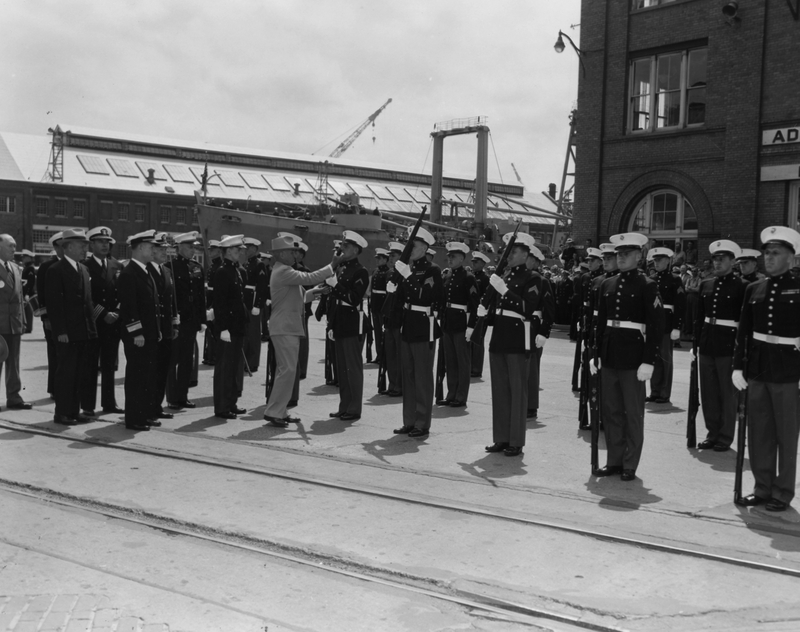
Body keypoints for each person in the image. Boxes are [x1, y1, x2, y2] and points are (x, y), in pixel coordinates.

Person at [732, 227, 800, 512]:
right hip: (758, 369)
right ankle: (762, 487)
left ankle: (782, 492)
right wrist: (738, 367)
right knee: (759, 432)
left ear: (792, 259)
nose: (768, 258)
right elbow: (743, 332)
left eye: (776, 253)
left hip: (788, 369)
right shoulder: (753, 288)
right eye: (766, 253)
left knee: (786, 434)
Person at [592, 232, 661, 481]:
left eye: (626, 254)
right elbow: (600, 324)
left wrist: (649, 361)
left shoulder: (647, 284)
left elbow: (655, 326)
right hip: (610, 354)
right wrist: (595, 354)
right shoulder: (607, 284)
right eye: (618, 254)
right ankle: (614, 460)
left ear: (638, 256)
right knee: (610, 411)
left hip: (633, 357)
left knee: (632, 413)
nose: (620, 258)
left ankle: (630, 463)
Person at [263, 235, 340, 427]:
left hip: (287, 327)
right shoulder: (283, 271)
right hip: (284, 328)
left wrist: (317, 292)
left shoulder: (285, 271)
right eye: (291, 252)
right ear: (281, 254)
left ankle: (280, 410)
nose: (295, 255)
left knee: (288, 371)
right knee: (287, 371)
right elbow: (310, 277)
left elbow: (301, 296)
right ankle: (274, 411)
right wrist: (333, 265)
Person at [480, 232, 538, 456]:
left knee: (517, 392)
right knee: (501, 392)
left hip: (516, 340)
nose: (508, 255)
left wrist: (505, 290)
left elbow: (527, 308)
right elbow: (500, 310)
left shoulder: (532, 278)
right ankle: (501, 438)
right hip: (500, 338)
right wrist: (485, 313)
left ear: (524, 254)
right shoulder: (504, 275)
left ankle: (516, 440)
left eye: (512, 251)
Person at [694, 240, 748, 452]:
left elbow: (745, 321)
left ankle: (725, 437)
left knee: (727, 393)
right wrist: (696, 343)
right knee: (708, 393)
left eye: (722, 259)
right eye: (715, 259)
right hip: (708, 343)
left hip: (728, 343)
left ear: (733, 261)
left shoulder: (742, 286)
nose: (717, 263)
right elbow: (699, 318)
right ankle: (712, 433)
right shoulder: (706, 284)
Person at [391, 227, 443, 438]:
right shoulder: (408, 269)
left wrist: (408, 276)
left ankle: (422, 422)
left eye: (413, 245)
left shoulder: (433, 270)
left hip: (424, 325)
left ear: (424, 247)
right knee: (409, 376)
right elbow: (402, 299)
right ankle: (409, 421)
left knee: (422, 377)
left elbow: (425, 296)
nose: (409, 249)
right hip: (408, 325)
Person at [45, 229, 97, 424]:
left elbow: (87, 302)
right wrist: (61, 332)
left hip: (83, 331)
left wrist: (91, 330)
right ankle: (62, 412)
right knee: (66, 373)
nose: (85, 249)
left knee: (79, 374)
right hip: (67, 332)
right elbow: (54, 306)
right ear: (68, 247)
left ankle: (73, 411)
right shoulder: (56, 270)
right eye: (81, 246)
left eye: (85, 245)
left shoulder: (83, 269)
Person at [118, 229, 162, 431]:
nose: (154, 250)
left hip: (149, 335)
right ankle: (134, 418)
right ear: (142, 247)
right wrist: (136, 333)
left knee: (147, 376)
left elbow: (152, 306)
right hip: (138, 337)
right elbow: (129, 308)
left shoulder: (145, 271)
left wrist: (157, 330)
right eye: (151, 247)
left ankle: (144, 414)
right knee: (137, 377)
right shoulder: (129, 273)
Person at [326, 230, 369, 421]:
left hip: (353, 321)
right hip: (341, 320)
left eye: (346, 246)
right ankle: (344, 406)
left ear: (355, 249)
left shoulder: (360, 271)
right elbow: (334, 298)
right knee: (342, 369)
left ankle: (354, 408)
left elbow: (353, 298)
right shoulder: (341, 268)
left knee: (352, 368)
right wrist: (331, 324)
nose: (342, 249)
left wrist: (336, 286)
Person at [82, 226, 124, 415]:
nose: (105, 245)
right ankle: (88, 406)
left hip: (113, 323)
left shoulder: (117, 265)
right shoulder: (84, 266)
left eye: (107, 242)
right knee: (90, 366)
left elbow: (123, 293)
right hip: (94, 323)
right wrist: (103, 313)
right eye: (100, 242)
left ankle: (109, 403)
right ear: (91, 244)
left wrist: (116, 312)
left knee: (109, 365)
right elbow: (85, 297)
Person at [166, 232, 206, 410]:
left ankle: (182, 396)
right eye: (189, 247)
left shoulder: (196, 267)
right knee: (172, 359)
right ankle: (172, 397)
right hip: (177, 319)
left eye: (194, 247)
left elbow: (200, 296)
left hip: (191, 319)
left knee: (186, 360)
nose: (193, 250)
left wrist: (202, 319)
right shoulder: (170, 267)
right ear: (179, 247)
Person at [211, 235, 249, 420]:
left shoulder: (237, 271)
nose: (239, 253)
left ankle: (231, 403)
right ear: (226, 252)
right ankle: (222, 406)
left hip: (237, 327)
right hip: (227, 329)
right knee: (225, 368)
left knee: (234, 368)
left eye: (240, 250)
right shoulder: (222, 272)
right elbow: (220, 304)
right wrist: (223, 328)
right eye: (235, 250)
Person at [437, 241, 478, 407]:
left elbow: (475, 304)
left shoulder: (468, 278)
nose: (450, 259)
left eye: (453, 256)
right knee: (450, 361)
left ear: (461, 258)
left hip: (461, 323)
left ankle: (461, 396)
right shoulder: (446, 276)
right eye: (448, 256)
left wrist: (471, 327)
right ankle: (451, 393)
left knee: (462, 361)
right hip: (448, 322)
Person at [646, 247, 685, 404]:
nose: (657, 263)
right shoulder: (652, 279)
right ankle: (654, 391)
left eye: (660, 260)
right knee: (653, 357)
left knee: (665, 359)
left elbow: (680, 304)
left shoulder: (675, 279)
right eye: (655, 260)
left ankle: (664, 393)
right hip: (653, 323)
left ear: (668, 261)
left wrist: (677, 326)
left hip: (667, 323)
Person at [148, 234, 178, 425]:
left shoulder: (166, 271)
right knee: (151, 372)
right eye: (160, 250)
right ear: (152, 251)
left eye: (165, 249)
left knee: (162, 370)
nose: (164, 253)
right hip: (153, 329)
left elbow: (171, 299)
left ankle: (157, 407)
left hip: (166, 328)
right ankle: (148, 408)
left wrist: (175, 323)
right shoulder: (147, 270)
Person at [0, 234, 31, 412]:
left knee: (14, 363)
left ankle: (14, 397)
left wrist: (23, 321)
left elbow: (19, 299)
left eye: (15, 246)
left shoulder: (15, 268)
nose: (14, 249)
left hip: (14, 324)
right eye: (10, 245)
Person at [524, 243, 555, 420]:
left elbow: (549, 310)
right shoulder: (519, 278)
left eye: (528, 258)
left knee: (532, 369)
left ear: (535, 262)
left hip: (534, 326)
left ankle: (531, 406)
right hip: (518, 325)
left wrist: (544, 332)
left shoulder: (542, 281)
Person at [36, 232, 63, 398]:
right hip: (51, 319)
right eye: (61, 245)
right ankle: (54, 389)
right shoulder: (46, 267)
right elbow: (42, 295)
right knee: (54, 355)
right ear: (55, 247)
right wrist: (45, 318)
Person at [381, 242, 404, 397]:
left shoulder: (405, 274)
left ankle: (400, 386)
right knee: (390, 354)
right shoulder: (389, 274)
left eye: (394, 255)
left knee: (400, 355)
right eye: (389, 255)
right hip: (389, 320)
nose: (390, 258)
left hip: (400, 319)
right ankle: (392, 384)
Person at [242, 237, 267, 372]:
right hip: (246, 302)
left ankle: (253, 363)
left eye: (249, 247)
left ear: (255, 249)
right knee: (246, 334)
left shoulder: (259, 264)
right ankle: (246, 360)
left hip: (253, 303)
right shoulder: (246, 264)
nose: (245, 250)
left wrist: (258, 305)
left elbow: (262, 286)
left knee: (253, 335)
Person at [469, 251, 491, 378]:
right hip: (472, 311)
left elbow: (487, 296)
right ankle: (471, 365)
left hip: (480, 312)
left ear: (482, 264)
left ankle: (476, 369)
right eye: (472, 261)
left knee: (478, 341)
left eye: (476, 262)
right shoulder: (471, 276)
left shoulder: (485, 278)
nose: (473, 264)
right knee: (471, 340)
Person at [368, 248, 391, 369]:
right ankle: (378, 354)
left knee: (383, 333)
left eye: (380, 258)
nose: (377, 261)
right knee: (377, 331)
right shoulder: (375, 271)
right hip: (375, 305)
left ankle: (384, 355)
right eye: (377, 258)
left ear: (386, 259)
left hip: (382, 305)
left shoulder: (388, 272)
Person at [19, 249, 35, 334]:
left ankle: (28, 327)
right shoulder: (26, 267)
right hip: (24, 291)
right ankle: (26, 326)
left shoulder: (30, 268)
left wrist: (28, 293)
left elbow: (31, 282)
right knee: (25, 310)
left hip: (28, 292)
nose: (23, 259)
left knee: (28, 311)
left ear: (29, 258)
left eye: (24, 257)